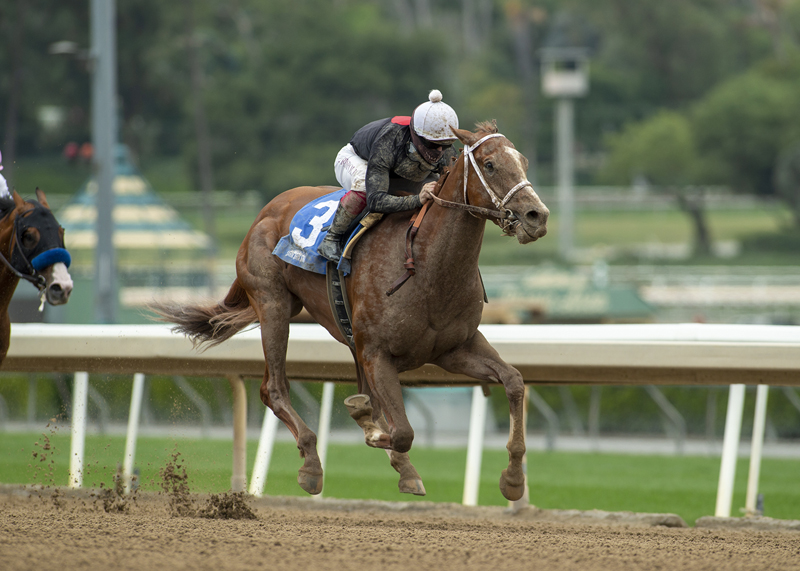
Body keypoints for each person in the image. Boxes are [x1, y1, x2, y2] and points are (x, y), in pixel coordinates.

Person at [317, 89, 459, 262]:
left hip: (398, 171)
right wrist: (416, 200)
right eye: (432, 144)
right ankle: (332, 238)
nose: (439, 151)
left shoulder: (443, 147)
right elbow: (376, 200)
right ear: (416, 135)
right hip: (357, 159)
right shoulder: (390, 140)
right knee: (363, 186)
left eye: (445, 145)